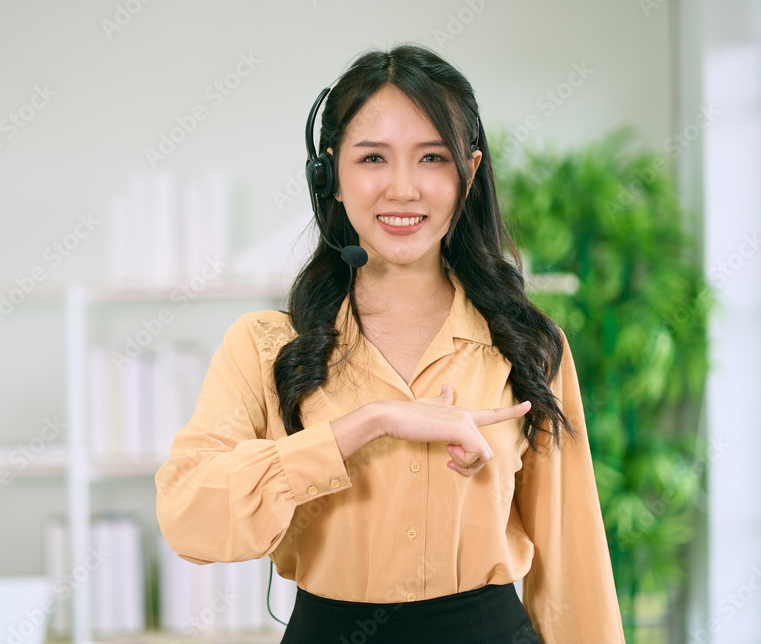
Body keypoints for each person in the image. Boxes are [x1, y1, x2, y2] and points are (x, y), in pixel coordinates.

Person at [155, 43, 625, 643]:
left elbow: (573, 563)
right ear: (331, 176)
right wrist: (368, 423)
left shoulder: (527, 346)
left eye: (432, 157)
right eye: (373, 157)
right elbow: (189, 517)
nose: (403, 188)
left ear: (469, 173)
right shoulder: (266, 346)